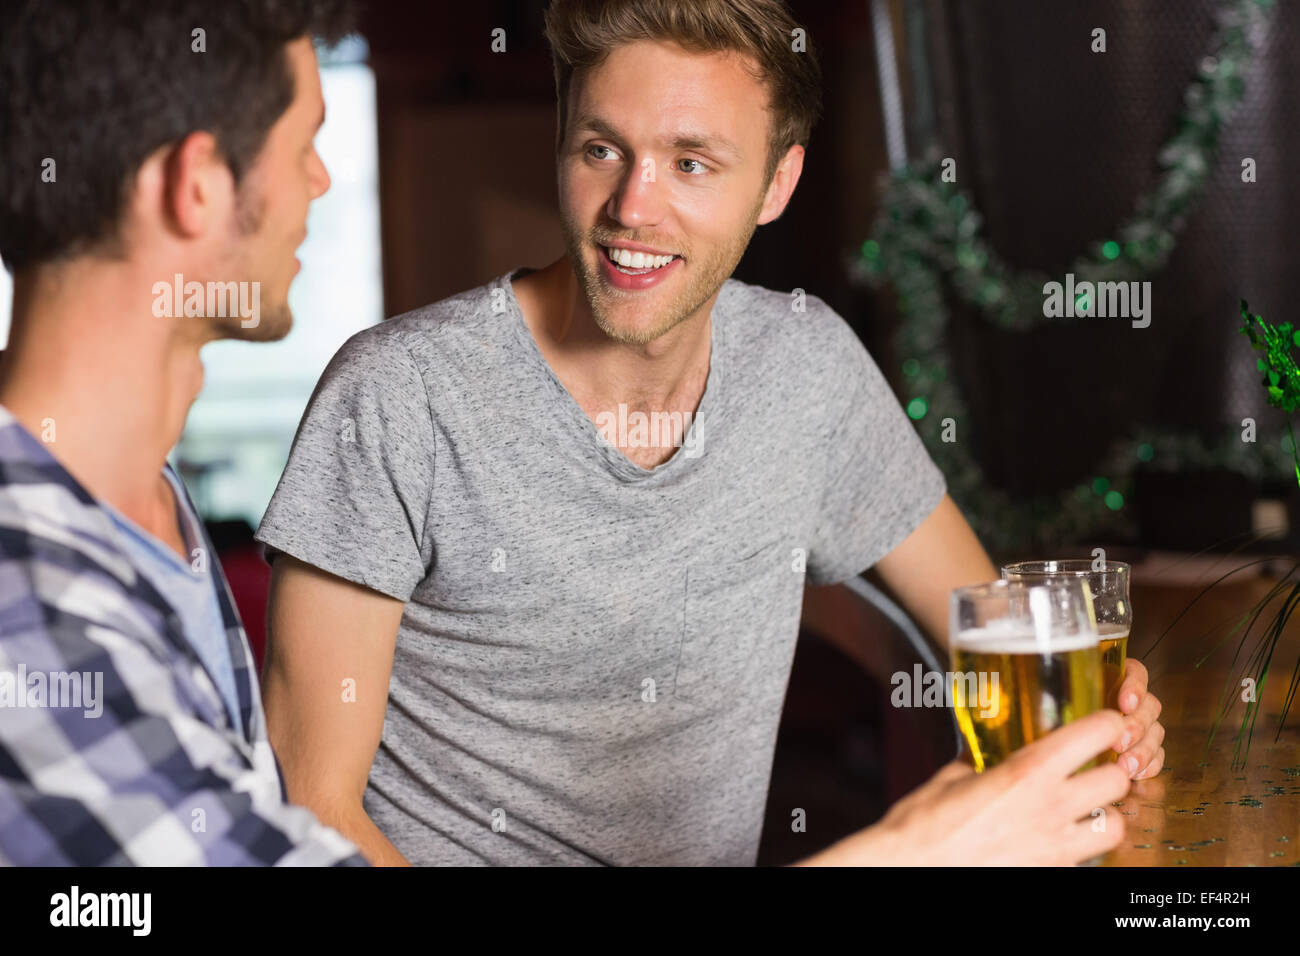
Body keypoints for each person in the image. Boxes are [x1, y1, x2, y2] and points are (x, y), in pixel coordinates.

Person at [256, 0, 1165, 866]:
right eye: (603, 149)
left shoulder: (807, 367)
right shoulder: (394, 396)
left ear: (777, 183)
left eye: (692, 163)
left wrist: (1091, 712)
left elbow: (983, 624)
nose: (633, 208)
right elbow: (313, 814)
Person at [0, 0, 367, 865]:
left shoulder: (136, 498)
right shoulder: (29, 611)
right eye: (302, 143)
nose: (318, 181)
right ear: (195, 185)